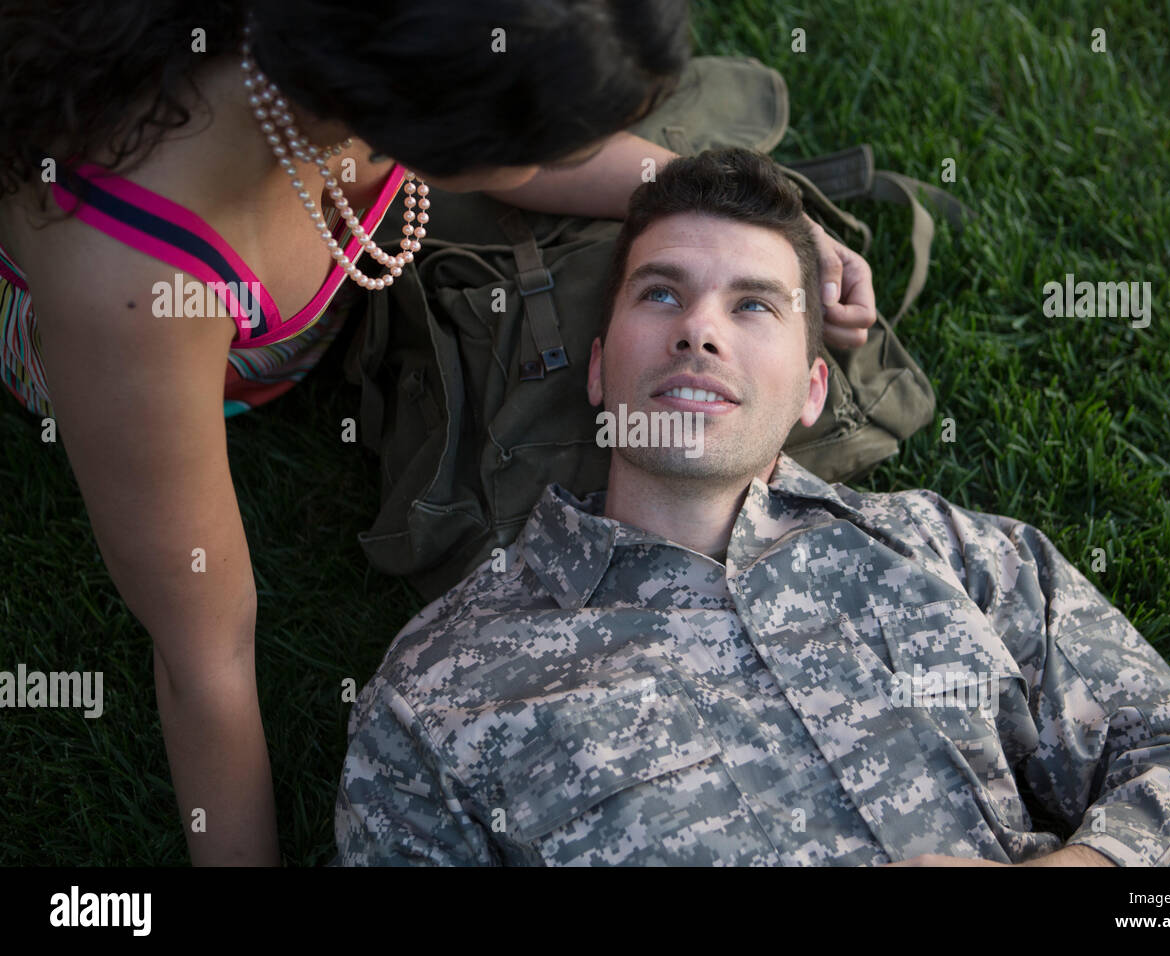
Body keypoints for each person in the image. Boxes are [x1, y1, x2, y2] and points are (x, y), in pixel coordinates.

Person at [0, 0, 881, 866]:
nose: (582, 155)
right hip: (154, 349)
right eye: (555, 138)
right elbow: (208, 651)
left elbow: (519, 170)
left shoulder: (377, 54)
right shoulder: (133, 281)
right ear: (437, 120)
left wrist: (767, 229)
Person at [334, 147, 1170, 866]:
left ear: (811, 391)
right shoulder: (443, 688)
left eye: (754, 306)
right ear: (597, 370)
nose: (699, 331)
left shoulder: (958, 556)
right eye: (660, 295)